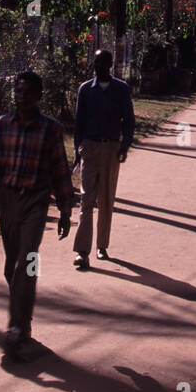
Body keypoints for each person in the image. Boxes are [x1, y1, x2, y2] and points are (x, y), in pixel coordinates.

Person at [0, 70, 73, 360]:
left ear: (39, 96)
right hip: (9, 201)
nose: (21, 97)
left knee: (28, 259)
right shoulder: (1, 127)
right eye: (17, 91)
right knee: (11, 267)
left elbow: (59, 171)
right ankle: (23, 319)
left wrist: (65, 209)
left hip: (36, 203)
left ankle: (15, 326)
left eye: (28, 92)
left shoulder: (50, 129)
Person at [72, 49, 135, 270]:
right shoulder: (85, 90)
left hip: (111, 148)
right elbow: (78, 122)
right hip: (89, 147)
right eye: (96, 62)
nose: (98, 66)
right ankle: (82, 251)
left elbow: (129, 120)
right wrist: (76, 153)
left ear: (110, 64)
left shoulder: (121, 89)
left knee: (106, 200)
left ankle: (102, 245)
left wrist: (124, 146)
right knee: (86, 199)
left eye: (103, 62)